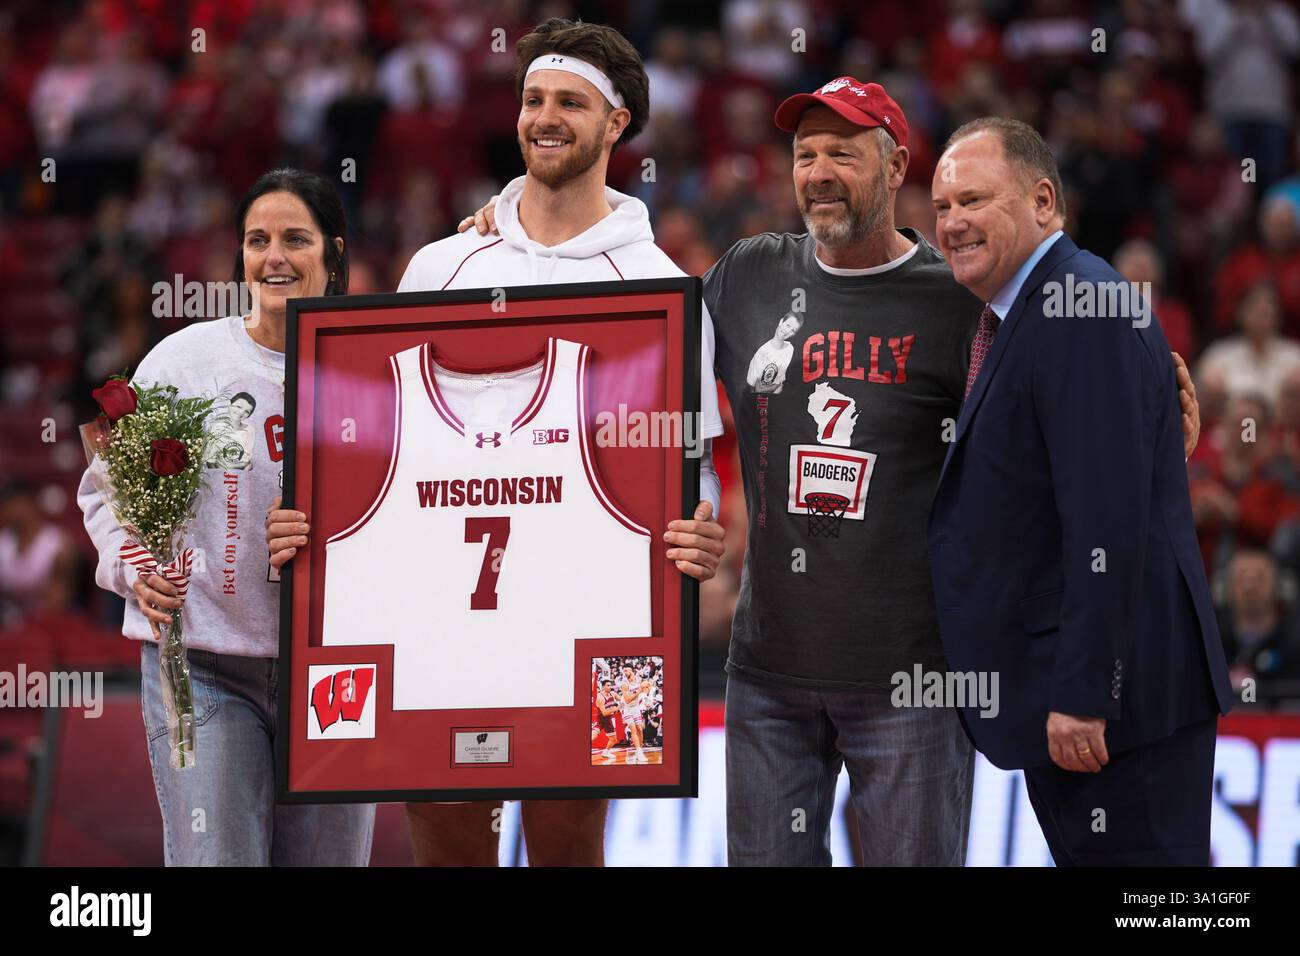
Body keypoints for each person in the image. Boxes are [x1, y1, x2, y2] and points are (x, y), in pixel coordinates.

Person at [268, 18, 726, 867]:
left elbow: (689, 466)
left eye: (570, 104)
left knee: (569, 848)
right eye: (533, 100)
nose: (545, 119)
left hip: (592, 617)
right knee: (445, 842)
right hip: (446, 618)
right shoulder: (441, 265)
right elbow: (372, 450)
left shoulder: (662, 288)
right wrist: (313, 523)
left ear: (618, 123)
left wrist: (700, 527)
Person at [927, 116, 1233, 865]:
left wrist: (1086, 692)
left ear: (1042, 200)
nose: (953, 221)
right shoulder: (1031, 311)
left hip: (1113, 713)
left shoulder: (1078, 307)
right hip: (1079, 704)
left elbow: (1107, 520)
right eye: (941, 207)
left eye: (974, 199)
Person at [78, 168, 376, 866]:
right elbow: (105, 489)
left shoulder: (374, 368)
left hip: (338, 670)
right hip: (204, 664)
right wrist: (134, 570)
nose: (273, 256)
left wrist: (333, 529)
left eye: (295, 239)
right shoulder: (184, 361)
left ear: (333, 254)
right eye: (257, 239)